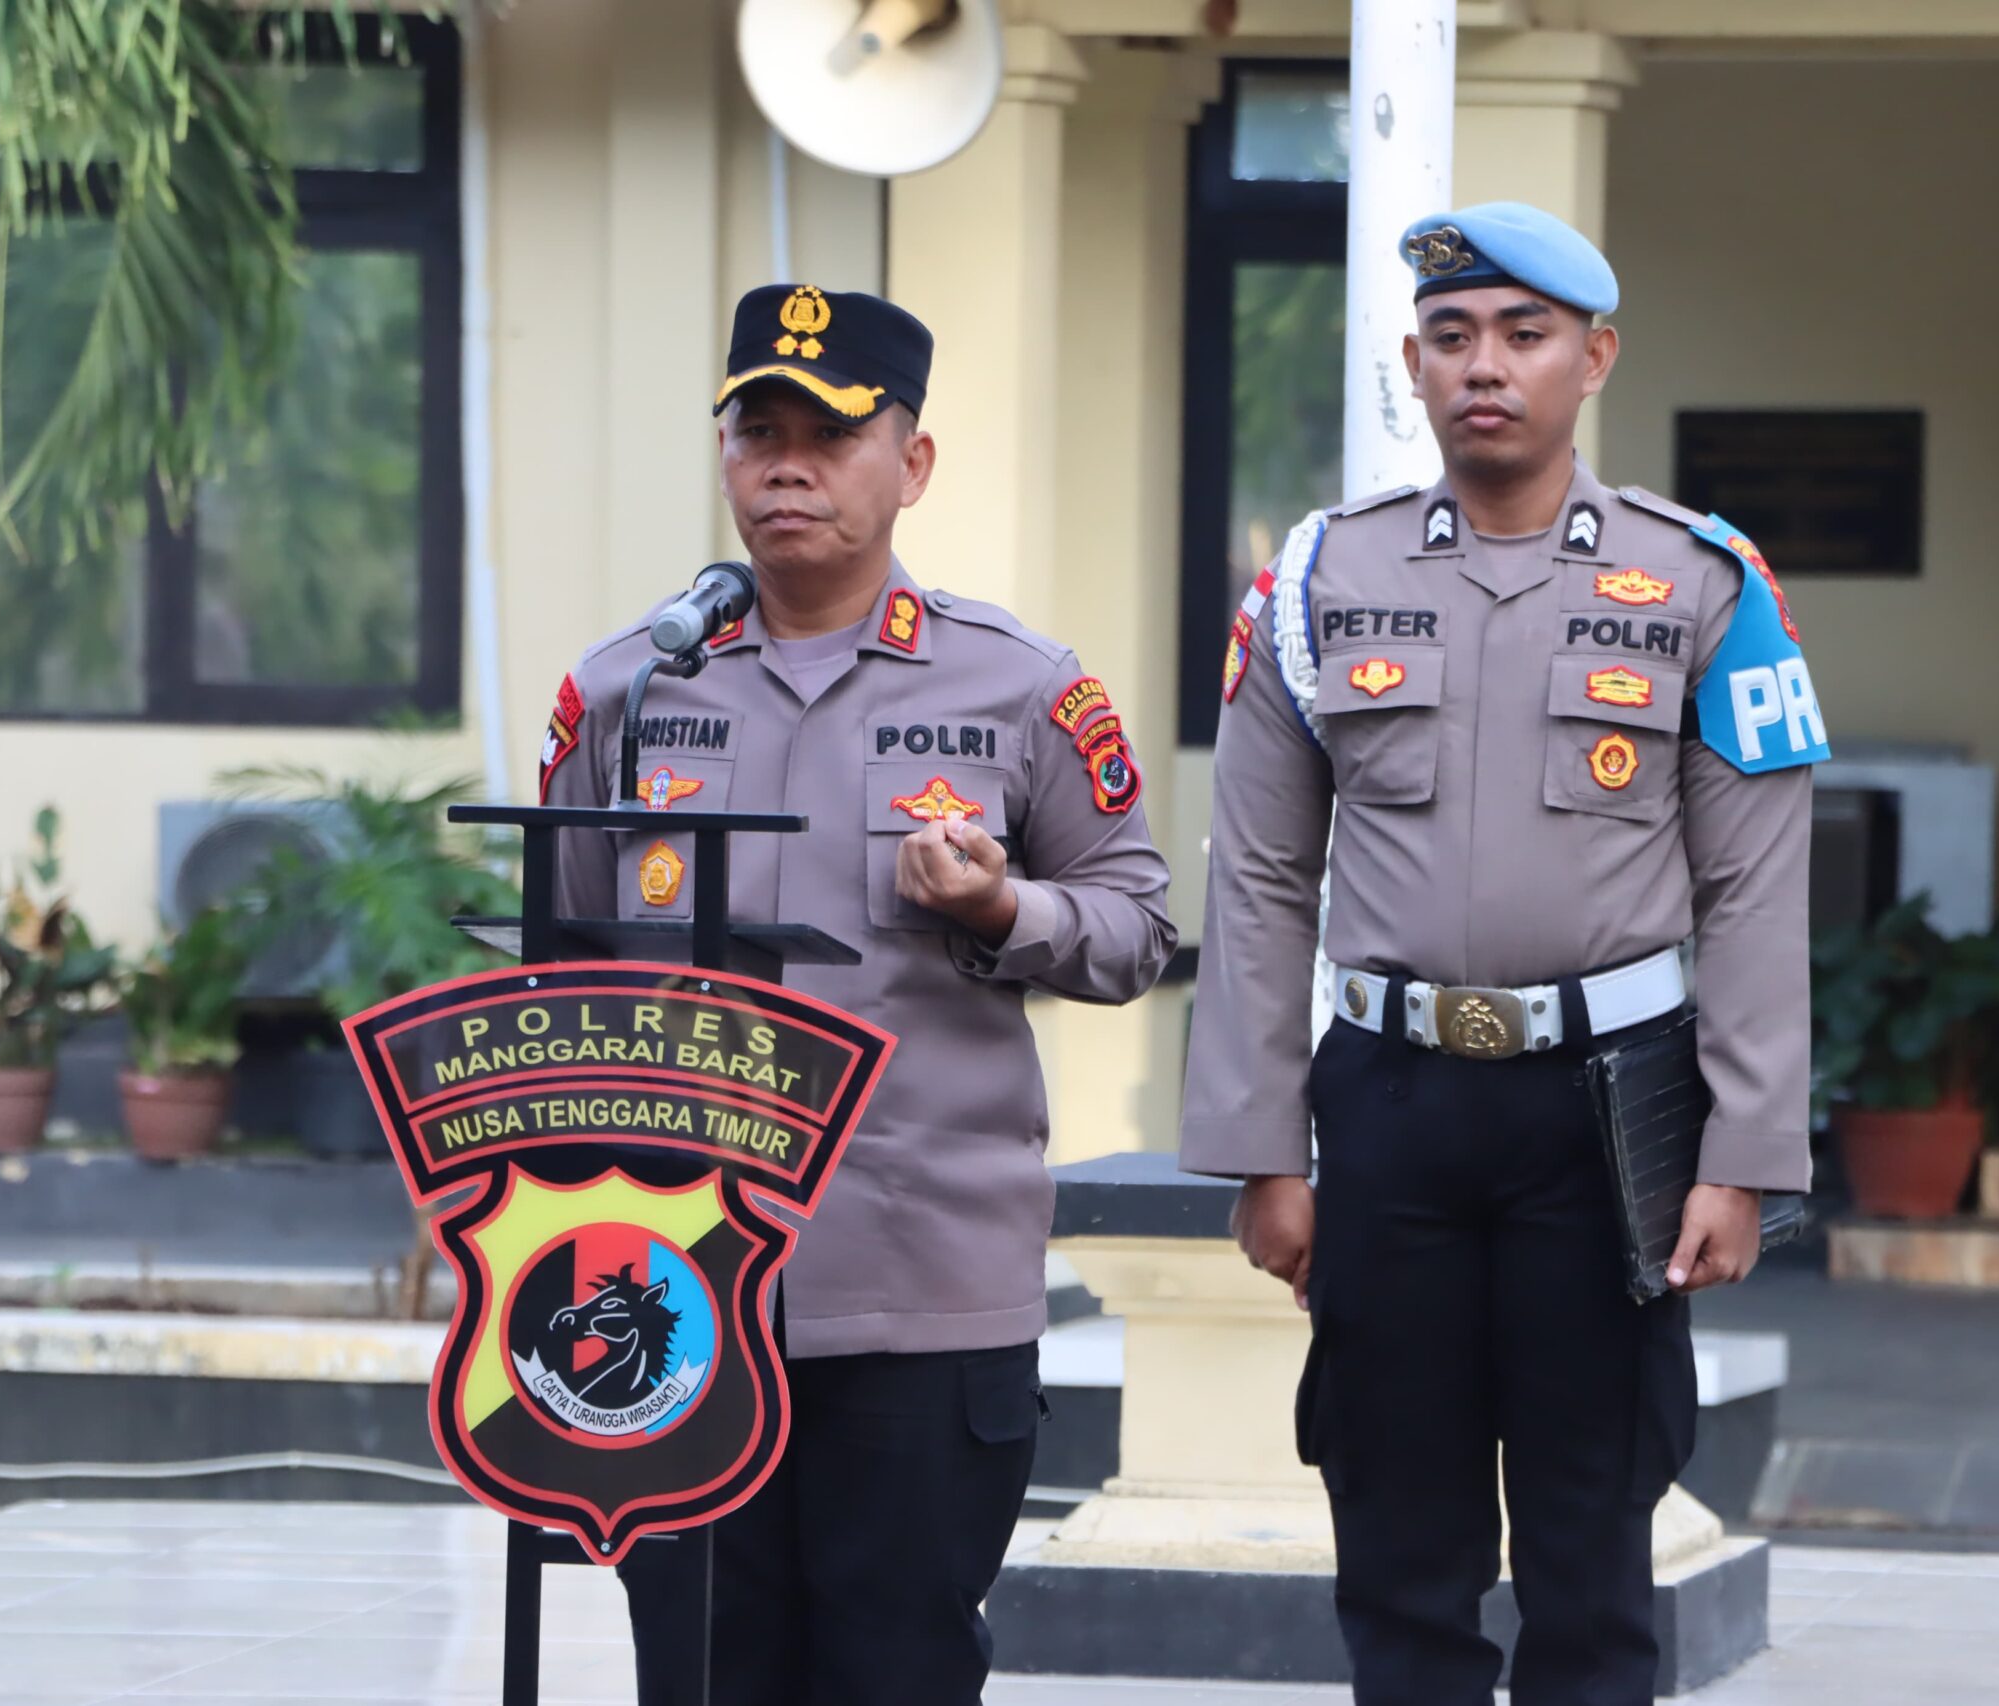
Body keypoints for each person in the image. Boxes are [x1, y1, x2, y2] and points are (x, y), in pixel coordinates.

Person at [1180, 202, 1828, 1706]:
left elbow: (1753, 893)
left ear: (1594, 357)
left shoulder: (1705, 585)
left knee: (1593, 1543)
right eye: (1454, 337)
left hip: (1607, 1109)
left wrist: (1745, 1152)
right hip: (1391, 1101)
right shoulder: (1313, 584)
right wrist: (1264, 1149)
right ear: (1412, 363)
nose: (1487, 367)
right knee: (1395, 1530)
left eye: (1525, 335)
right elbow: (1264, 879)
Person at [541, 283, 1178, 1706]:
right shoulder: (628, 694)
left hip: (918, 1297)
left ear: (914, 462)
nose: (787, 465)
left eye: (828, 435)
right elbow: (561, 969)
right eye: (756, 430)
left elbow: (1137, 925)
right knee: (702, 1675)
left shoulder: (1020, 690)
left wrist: (1005, 905)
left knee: (896, 1672)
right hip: (676, 1292)